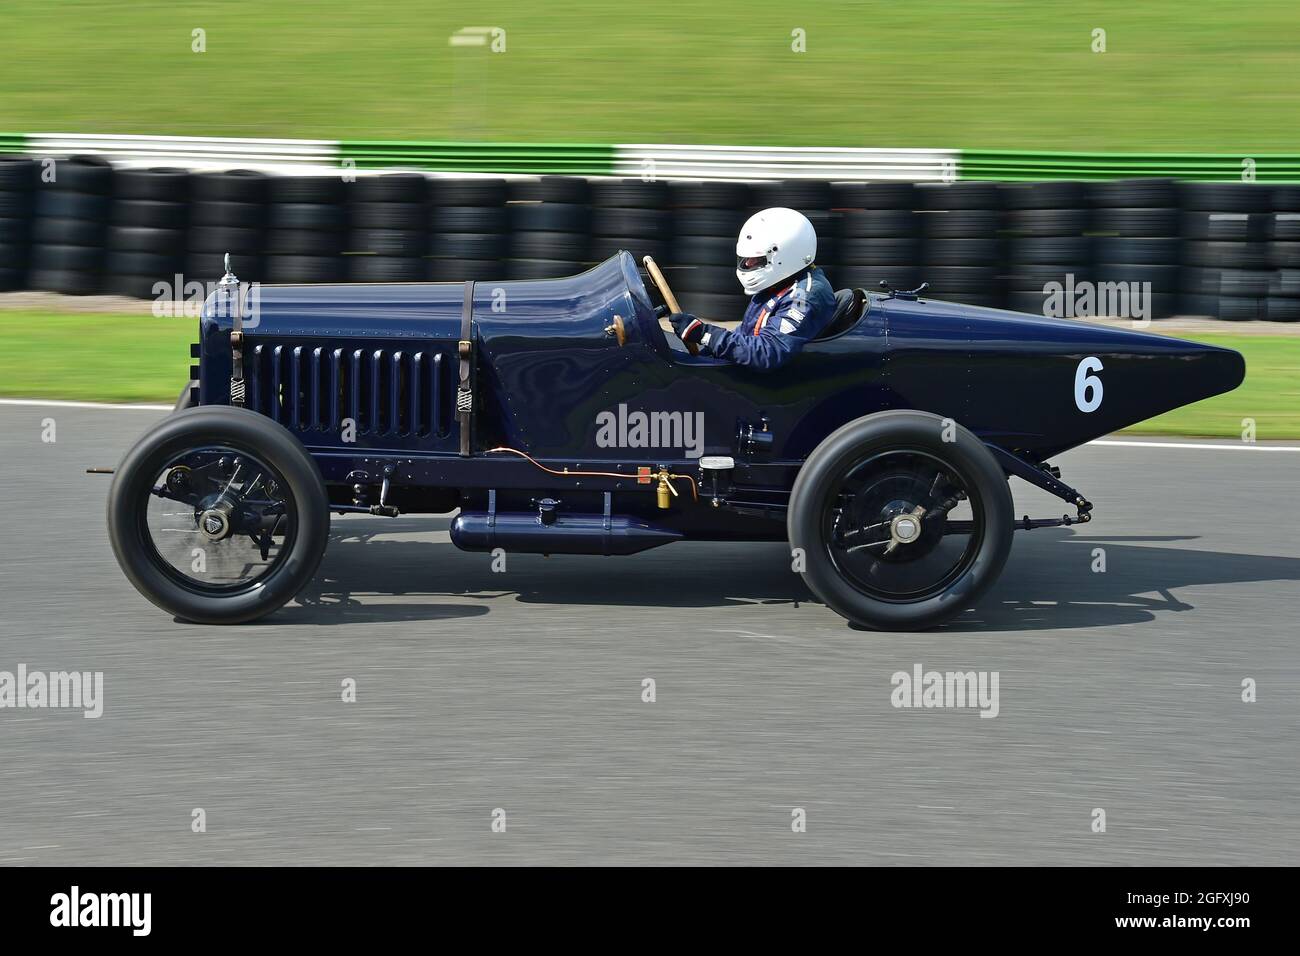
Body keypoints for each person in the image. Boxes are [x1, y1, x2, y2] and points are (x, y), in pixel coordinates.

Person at [670, 207, 836, 370]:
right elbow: (746, 333)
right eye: (747, 259)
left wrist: (705, 334)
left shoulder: (803, 296)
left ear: (784, 256)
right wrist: (707, 351)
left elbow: (767, 352)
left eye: (757, 260)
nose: (748, 264)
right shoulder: (779, 284)